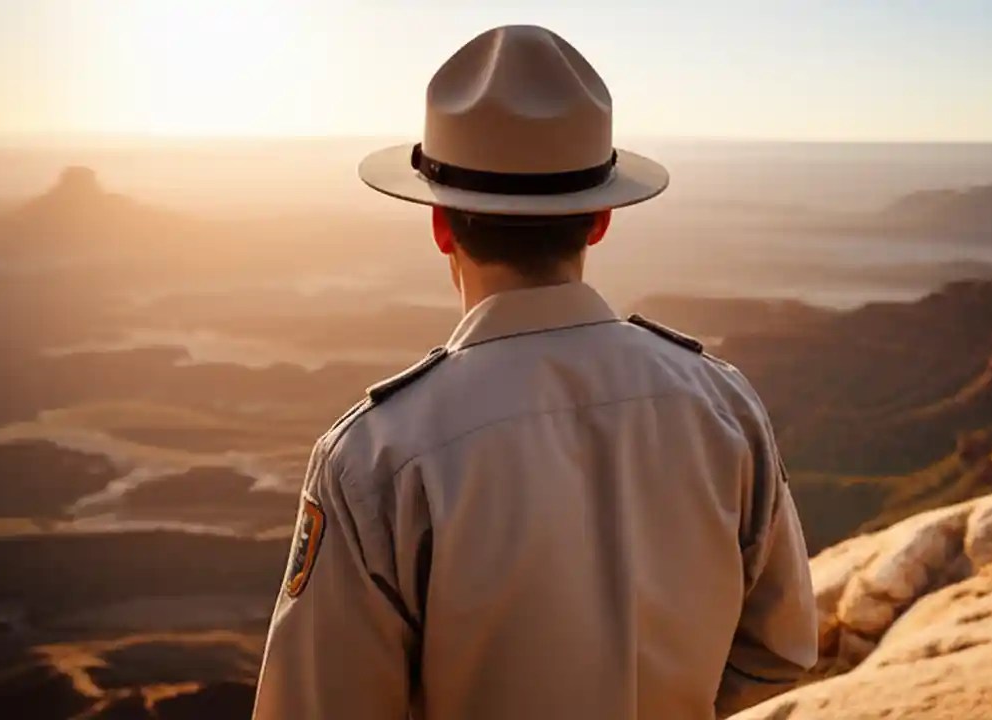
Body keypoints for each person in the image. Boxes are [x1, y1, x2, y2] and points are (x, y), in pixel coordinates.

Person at [253, 24, 817, 720]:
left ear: (439, 226)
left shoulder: (378, 457)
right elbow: (781, 650)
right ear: (602, 217)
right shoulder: (724, 405)